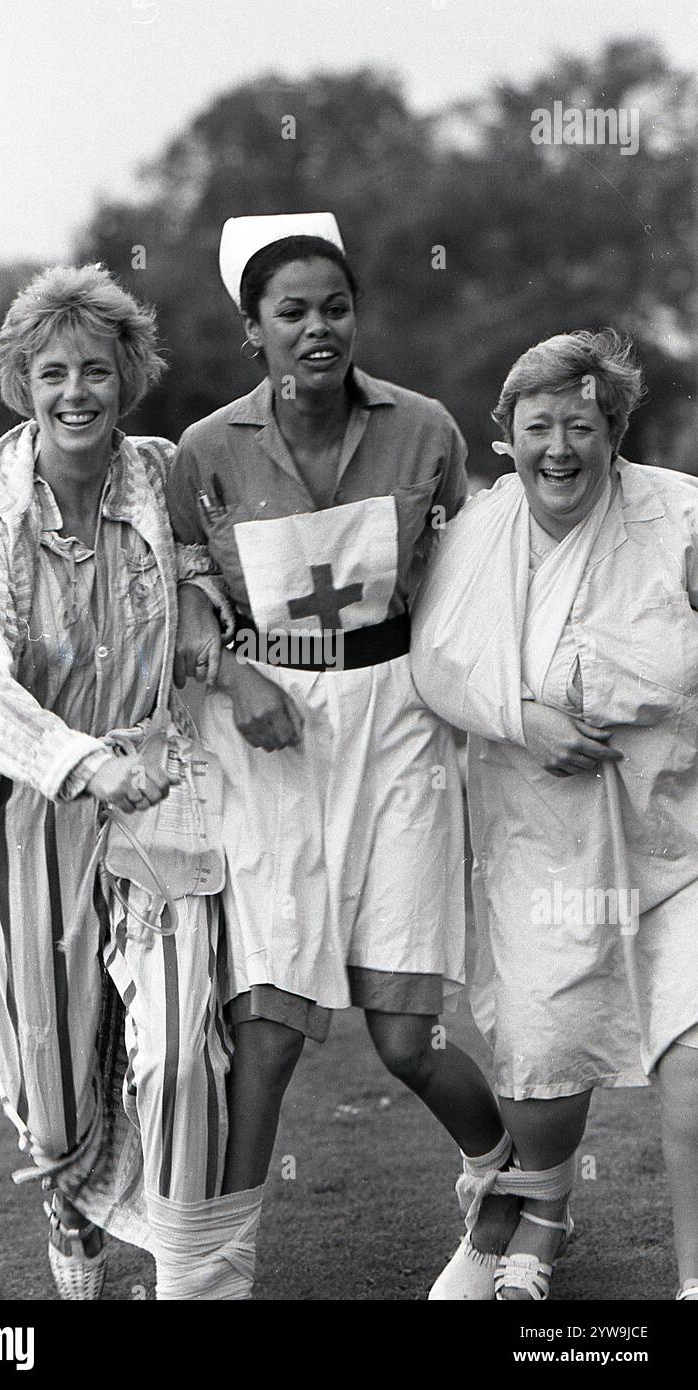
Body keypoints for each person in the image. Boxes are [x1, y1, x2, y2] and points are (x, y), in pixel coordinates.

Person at [167, 212, 521, 1294]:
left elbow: (472, 580)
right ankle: (212, 1271)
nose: (318, 328)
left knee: (404, 1038)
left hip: (397, 723)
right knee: (263, 1030)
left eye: (335, 307)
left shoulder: (423, 431)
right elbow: (185, 598)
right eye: (292, 312)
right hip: (265, 729)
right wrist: (234, 673)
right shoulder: (204, 452)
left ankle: (505, 1189)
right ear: (252, 333)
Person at [0, 264, 262, 1301]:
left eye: (97, 371)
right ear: (21, 384)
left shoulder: (161, 475)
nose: (77, 392)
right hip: (30, 812)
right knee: (55, 1094)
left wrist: (210, 617)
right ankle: (70, 1216)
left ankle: (186, 1275)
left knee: (176, 1052)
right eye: (52, 373)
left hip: (161, 802)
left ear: (130, 375)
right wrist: (81, 764)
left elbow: (211, 574)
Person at [411, 329, 698, 1301]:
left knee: (694, 1057)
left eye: (582, 424)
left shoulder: (678, 518)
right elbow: (436, 662)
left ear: (614, 430)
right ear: (505, 435)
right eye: (539, 427)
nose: (560, 448)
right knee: (540, 1056)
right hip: (538, 839)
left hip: (676, 832)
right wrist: (518, 714)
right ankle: (532, 1216)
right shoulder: (477, 534)